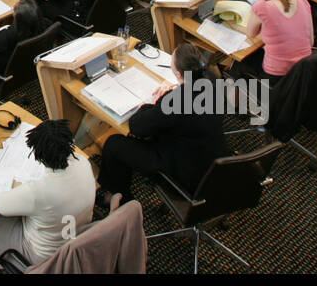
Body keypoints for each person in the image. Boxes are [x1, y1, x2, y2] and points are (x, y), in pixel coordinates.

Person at [97, 42, 229, 207]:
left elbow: (137, 127)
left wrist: (152, 104)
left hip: (182, 174)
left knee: (113, 144)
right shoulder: (212, 80)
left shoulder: (177, 101)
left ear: (179, 75)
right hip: (213, 161)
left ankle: (121, 198)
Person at [0, 119, 95, 267]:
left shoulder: (39, 192)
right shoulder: (83, 162)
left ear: (36, 152)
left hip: (45, 255)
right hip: (77, 234)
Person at [244, 0, 313, 83]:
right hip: (305, 68)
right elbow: (310, 41)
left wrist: (261, 1)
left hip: (276, 74)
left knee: (238, 65)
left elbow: (251, 33)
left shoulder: (261, 7)